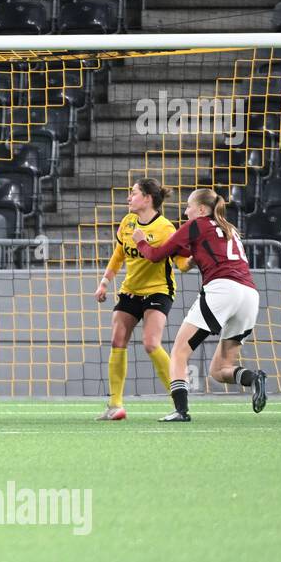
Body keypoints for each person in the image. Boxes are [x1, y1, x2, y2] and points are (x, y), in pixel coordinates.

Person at [134, 188, 268, 422]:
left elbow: (156, 255)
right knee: (219, 370)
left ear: (202, 209)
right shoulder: (229, 229)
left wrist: (141, 242)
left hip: (222, 291)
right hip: (249, 295)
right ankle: (254, 378)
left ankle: (181, 411)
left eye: (188, 207)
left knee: (178, 351)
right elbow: (195, 254)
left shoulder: (198, 225)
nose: (185, 212)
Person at [93, 178, 190, 420]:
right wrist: (104, 282)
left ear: (147, 198)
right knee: (117, 341)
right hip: (130, 290)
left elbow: (180, 262)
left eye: (133, 193)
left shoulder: (166, 229)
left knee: (150, 343)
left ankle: (179, 401)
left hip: (158, 291)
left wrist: (191, 261)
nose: (129, 197)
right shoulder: (127, 222)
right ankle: (115, 405)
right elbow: (118, 256)